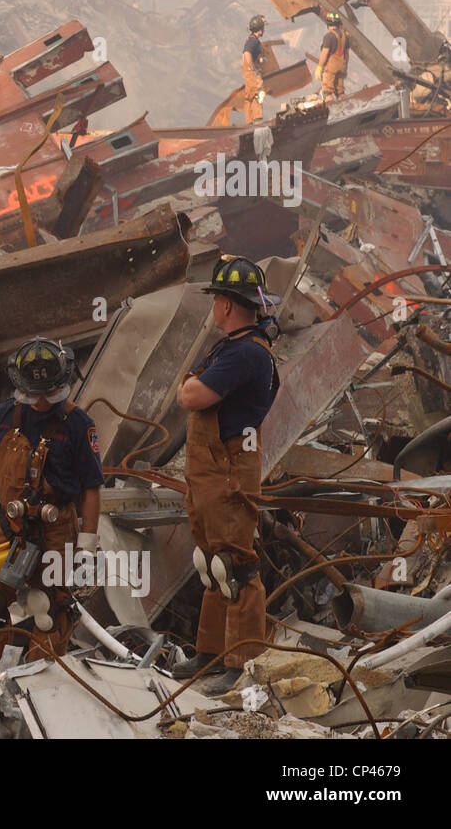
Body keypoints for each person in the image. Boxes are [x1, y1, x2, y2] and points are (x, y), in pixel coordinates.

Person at [0, 338, 104, 687]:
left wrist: (86, 546)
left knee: (46, 612)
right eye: (34, 393)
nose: (41, 401)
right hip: (8, 528)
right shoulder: (4, 416)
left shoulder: (78, 425)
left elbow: (91, 488)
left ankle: (35, 696)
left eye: (49, 392)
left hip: (56, 531)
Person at [173, 256, 281, 696]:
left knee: (235, 564)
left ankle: (243, 661)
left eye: (216, 299)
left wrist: (188, 386)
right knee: (210, 561)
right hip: (209, 469)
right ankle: (210, 652)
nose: (213, 308)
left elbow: (193, 395)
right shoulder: (231, 348)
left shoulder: (246, 353)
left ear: (226, 305)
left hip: (229, 467)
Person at [316, 10, 349, 102]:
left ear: (328, 24)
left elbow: (324, 53)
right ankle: (346, 107)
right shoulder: (345, 36)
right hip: (342, 66)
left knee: (328, 92)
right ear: (339, 24)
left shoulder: (329, 36)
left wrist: (319, 67)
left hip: (331, 68)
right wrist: (345, 67)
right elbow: (347, 54)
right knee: (340, 92)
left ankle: (332, 111)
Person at [241, 15, 268, 123]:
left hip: (248, 70)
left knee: (250, 96)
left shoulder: (251, 40)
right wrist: (253, 67)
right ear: (260, 29)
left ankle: (249, 121)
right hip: (251, 71)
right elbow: (247, 53)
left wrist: (261, 60)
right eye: (263, 28)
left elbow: (251, 54)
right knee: (258, 92)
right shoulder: (253, 41)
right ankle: (257, 119)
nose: (264, 30)